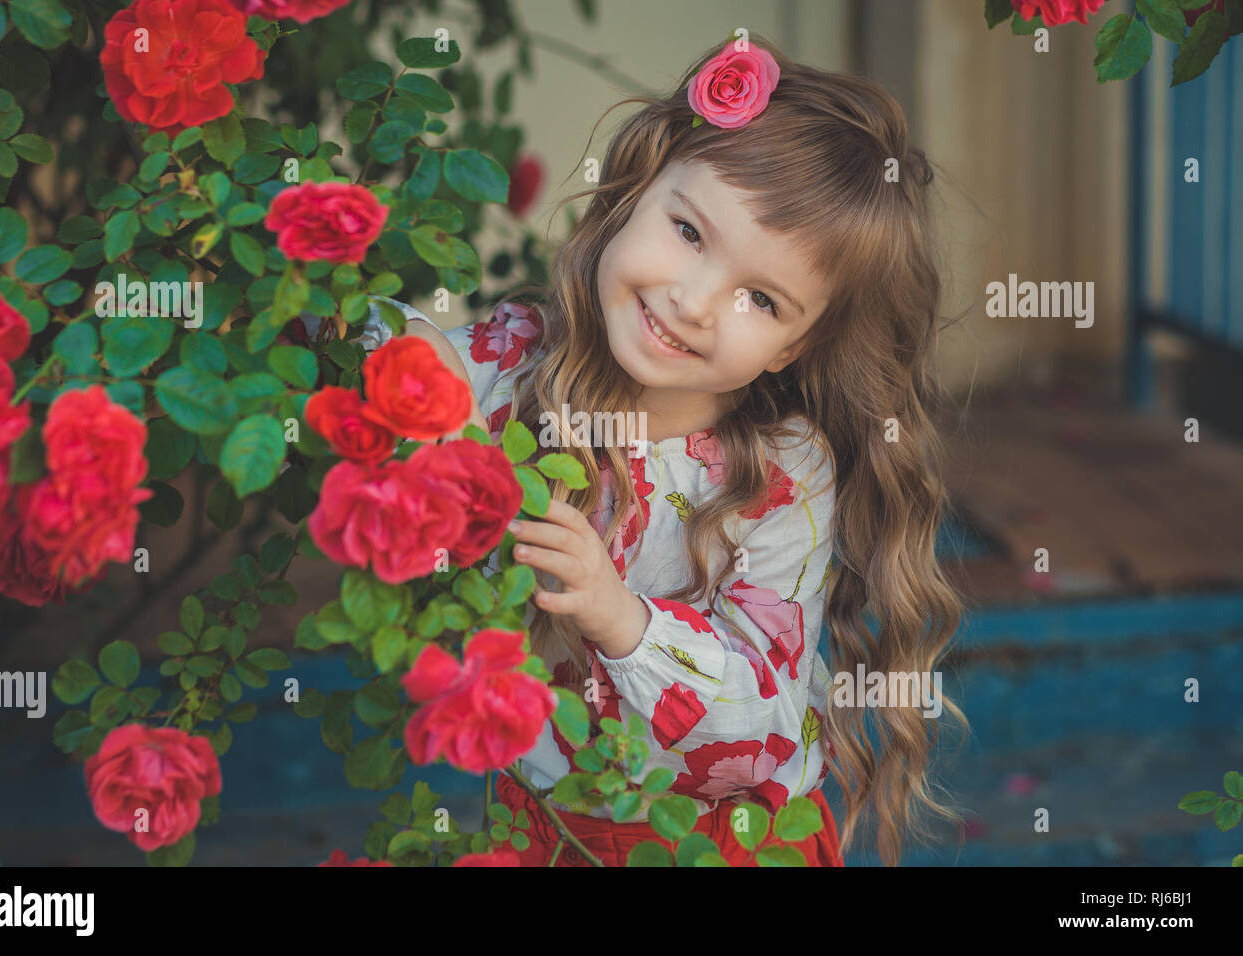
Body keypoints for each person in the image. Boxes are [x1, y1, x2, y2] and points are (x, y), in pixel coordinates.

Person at [362, 32, 967, 867]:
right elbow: (387, 362)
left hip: (723, 844)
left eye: (760, 298)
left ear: (795, 345)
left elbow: (758, 723)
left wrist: (621, 619)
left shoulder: (785, 478)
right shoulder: (517, 365)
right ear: (636, 190)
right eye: (688, 231)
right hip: (546, 828)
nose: (694, 303)